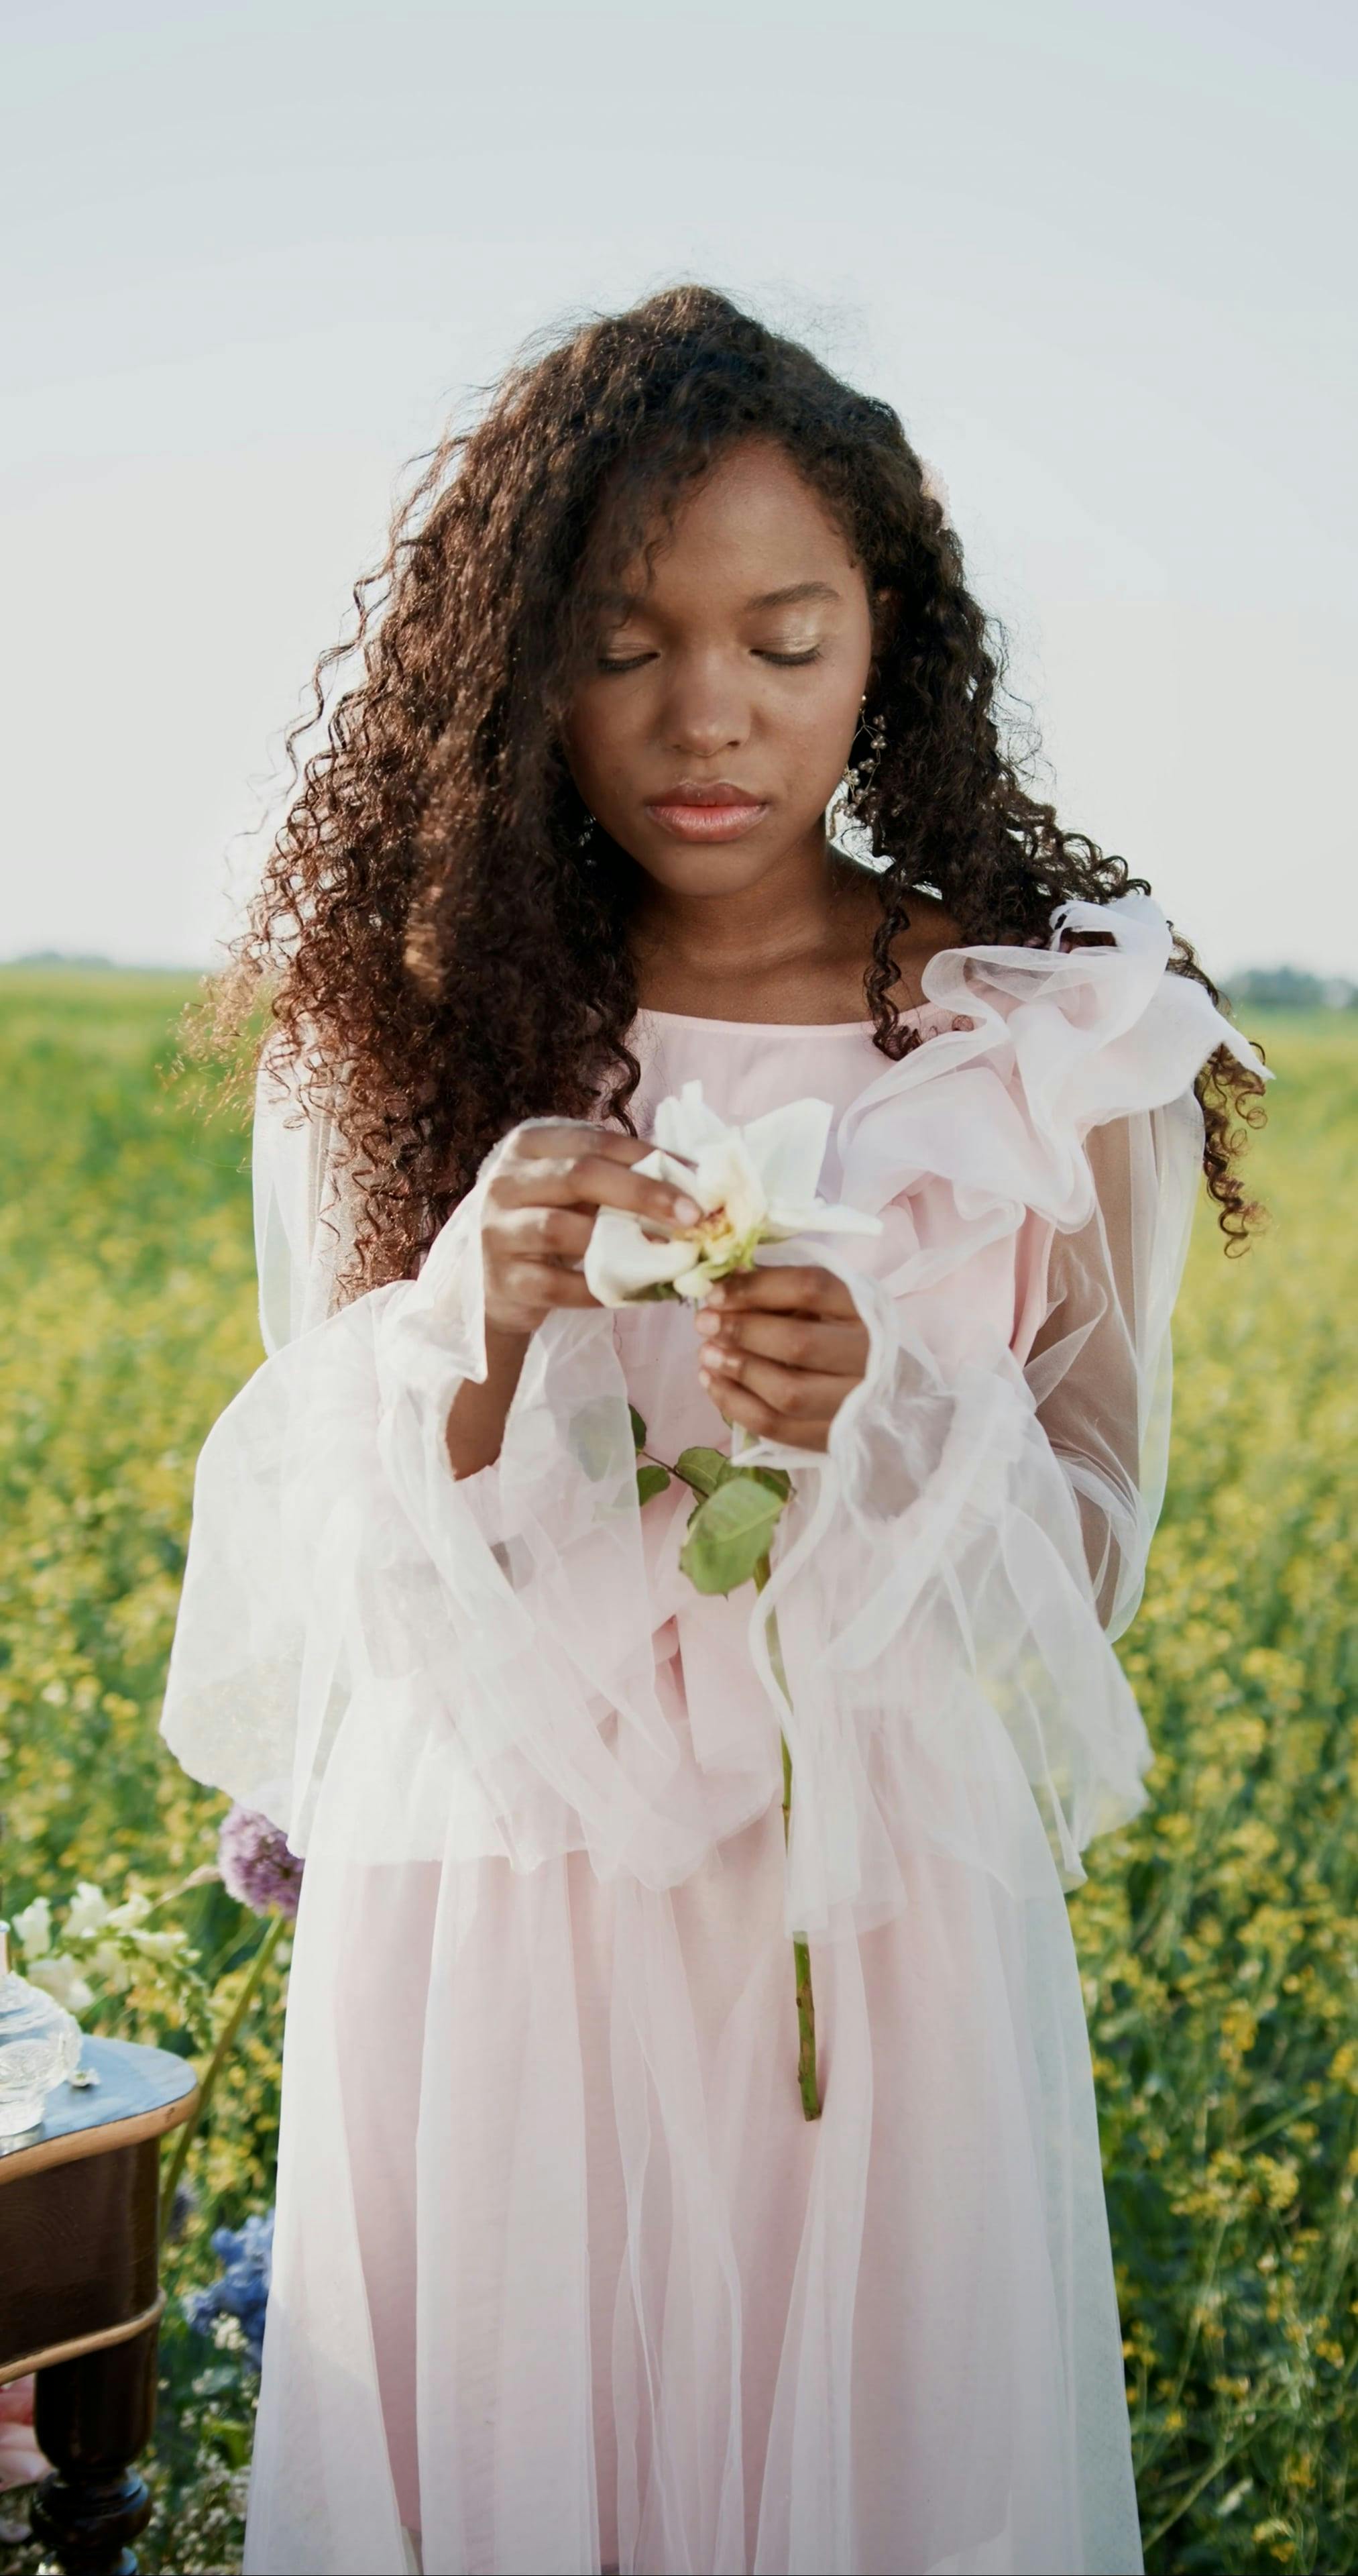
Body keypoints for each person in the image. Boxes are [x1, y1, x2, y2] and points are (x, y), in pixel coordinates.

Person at [161, 284, 1269, 2576]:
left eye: (783, 642)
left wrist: (889, 1419)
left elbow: (1085, 1572)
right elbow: (332, 1573)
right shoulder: (394, 1016)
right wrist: (463, 1332)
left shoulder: (1036, 1040)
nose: (705, 719)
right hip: (488, 1906)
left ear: (895, 637)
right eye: (618, 640)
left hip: (875, 1916)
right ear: (511, 656)